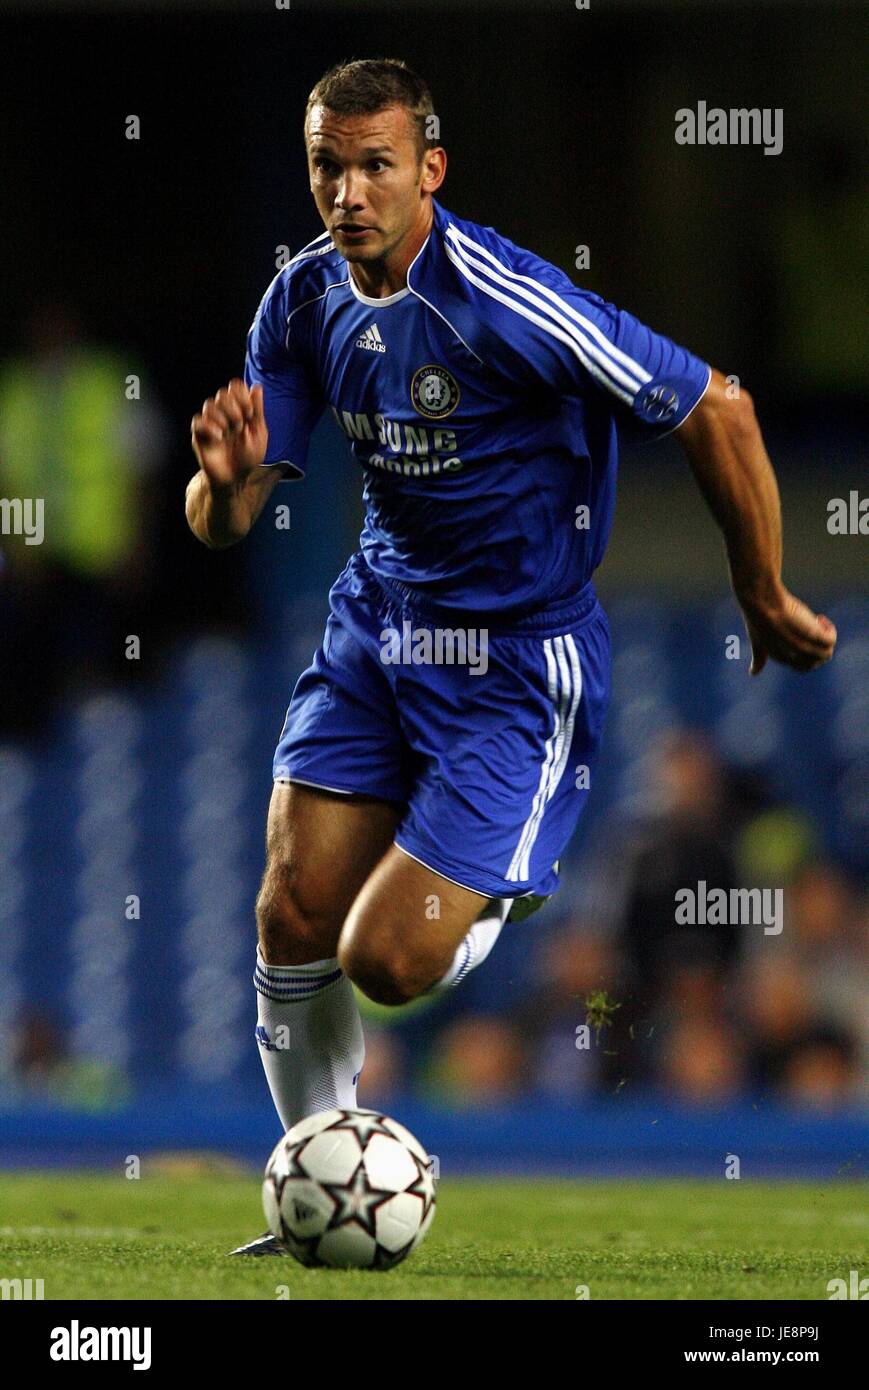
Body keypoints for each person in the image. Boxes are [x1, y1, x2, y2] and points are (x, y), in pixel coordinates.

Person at [184, 59, 836, 1255]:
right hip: (377, 628)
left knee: (384, 962)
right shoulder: (299, 299)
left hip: (511, 669)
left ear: (428, 170)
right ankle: (319, 1179)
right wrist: (222, 492)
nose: (348, 191)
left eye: (375, 164)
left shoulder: (506, 297)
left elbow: (718, 408)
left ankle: (498, 884)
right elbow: (226, 507)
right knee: (289, 910)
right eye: (327, 165)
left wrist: (761, 590)